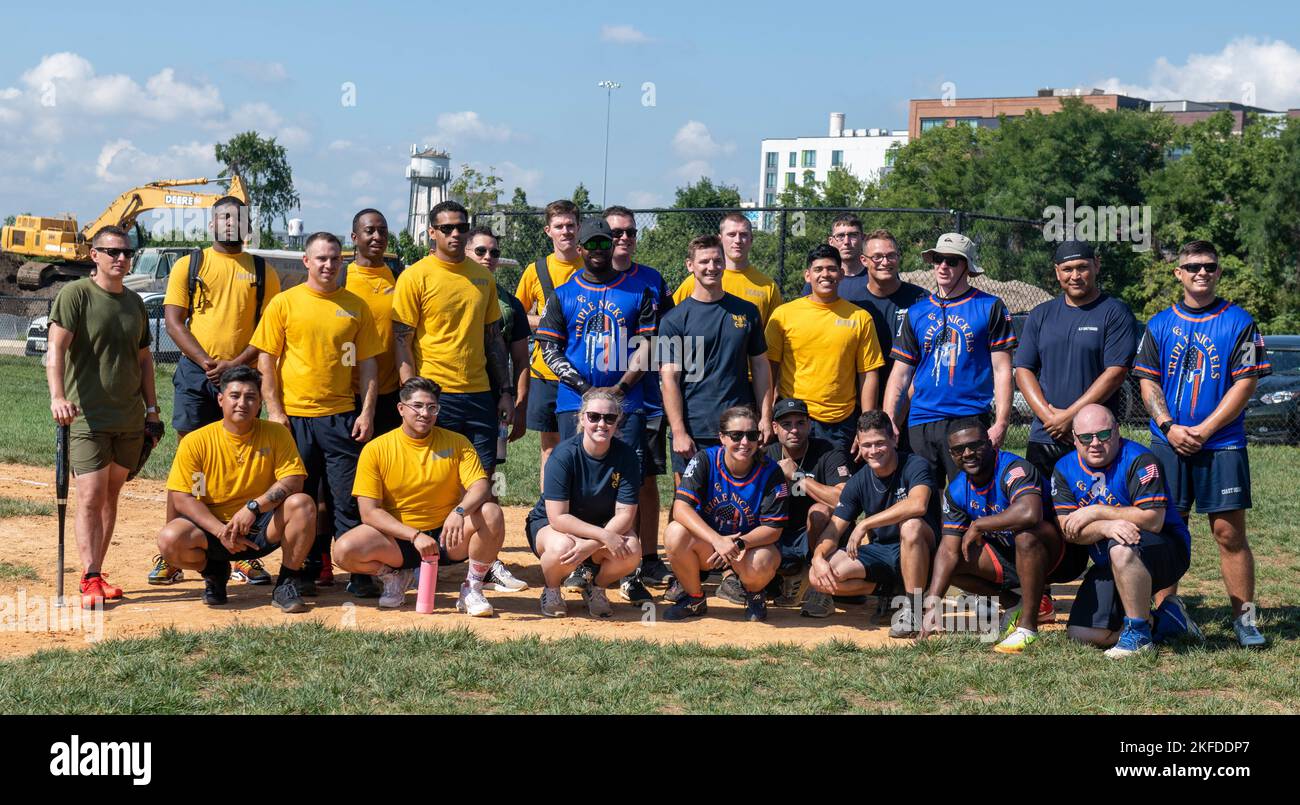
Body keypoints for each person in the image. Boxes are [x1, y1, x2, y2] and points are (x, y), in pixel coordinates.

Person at [1132, 240, 1271, 647]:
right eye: (1192, 266)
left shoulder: (1240, 321)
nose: (1201, 273)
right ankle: (1166, 613)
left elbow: (1245, 384)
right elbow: (1147, 380)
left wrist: (1205, 430)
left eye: (1209, 266)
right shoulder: (1158, 324)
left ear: (1219, 272)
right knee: (1165, 530)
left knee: (1229, 534)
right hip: (1167, 442)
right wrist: (1168, 425)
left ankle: (1244, 620)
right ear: (1178, 273)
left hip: (1222, 444)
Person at [155, 194, 281, 585]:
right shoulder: (189, 264)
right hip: (198, 375)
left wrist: (236, 363)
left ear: (248, 225)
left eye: (239, 218)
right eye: (224, 217)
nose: (231, 223)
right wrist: (207, 361)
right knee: (190, 465)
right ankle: (172, 556)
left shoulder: (263, 270)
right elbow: (174, 321)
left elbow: (268, 331)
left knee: (246, 463)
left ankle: (241, 551)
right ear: (212, 224)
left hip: (242, 377)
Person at [250, 232, 382, 595]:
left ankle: (359, 573)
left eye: (335, 259)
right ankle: (300, 571)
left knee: (347, 498)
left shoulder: (356, 306)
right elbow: (267, 361)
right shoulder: (284, 304)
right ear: (306, 261)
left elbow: (369, 365)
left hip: (341, 416)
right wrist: (275, 411)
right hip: (293, 419)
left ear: (343, 262)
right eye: (321, 258)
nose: (328, 265)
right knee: (299, 498)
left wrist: (366, 412)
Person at [46, 226, 161, 608]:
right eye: (112, 251)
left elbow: (144, 360)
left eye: (127, 252)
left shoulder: (135, 303)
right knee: (91, 496)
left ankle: (96, 571)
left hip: (127, 418)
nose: (121, 258)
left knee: (111, 495)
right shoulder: (75, 294)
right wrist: (58, 397)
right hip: (86, 417)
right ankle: (89, 574)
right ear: (94, 255)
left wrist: (152, 409)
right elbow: (56, 350)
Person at [332, 377, 518, 613]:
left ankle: (472, 587)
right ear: (401, 409)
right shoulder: (376, 449)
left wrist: (459, 511)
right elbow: (369, 513)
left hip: (447, 536)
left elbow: (480, 485)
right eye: (417, 406)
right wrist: (414, 535)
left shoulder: (457, 442)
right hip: (399, 540)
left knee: (491, 511)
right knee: (343, 549)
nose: (425, 413)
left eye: (432, 407)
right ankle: (393, 577)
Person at [919, 417, 1087, 653]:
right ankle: (1019, 602)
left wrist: (979, 525)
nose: (967, 453)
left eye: (975, 445)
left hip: (1060, 555)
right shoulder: (956, 489)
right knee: (949, 561)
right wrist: (932, 603)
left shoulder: (1014, 469)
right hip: (1011, 556)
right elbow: (948, 550)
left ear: (990, 444)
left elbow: (1030, 513)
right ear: (951, 454)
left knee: (1027, 534)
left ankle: (1027, 628)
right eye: (959, 450)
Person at [155, 366, 315, 612]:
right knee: (170, 538)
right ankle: (213, 572)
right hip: (214, 529)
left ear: (260, 402)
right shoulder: (196, 441)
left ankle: (286, 582)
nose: (243, 403)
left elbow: (294, 480)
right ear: (220, 400)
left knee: (302, 504)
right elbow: (184, 497)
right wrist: (220, 531)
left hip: (260, 525)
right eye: (235, 395)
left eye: (251, 397)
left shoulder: (276, 434)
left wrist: (253, 507)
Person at [882, 233, 1017, 518]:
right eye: (937, 259)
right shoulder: (917, 312)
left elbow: (1003, 369)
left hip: (968, 417)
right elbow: (900, 373)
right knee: (922, 502)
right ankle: (928, 559)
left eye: (952, 261)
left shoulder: (990, 306)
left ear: (967, 267)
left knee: (969, 499)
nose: (943, 266)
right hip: (921, 420)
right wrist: (889, 421)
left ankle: (969, 560)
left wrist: (1002, 421)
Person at [1052, 404, 1193, 658]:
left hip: (1166, 551)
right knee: (1080, 634)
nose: (1095, 443)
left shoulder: (1140, 459)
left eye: (1103, 435)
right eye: (1086, 437)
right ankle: (1165, 621)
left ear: (1117, 431)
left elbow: (1153, 520)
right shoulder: (1064, 468)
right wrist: (1107, 526)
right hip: (1110, 563)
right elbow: (1068, 529)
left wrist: (1096, 512)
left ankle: (1138, 635)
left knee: (1121, 545)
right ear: (1074, 439)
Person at [393, 200, 513, 478]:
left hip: (479, 394)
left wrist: (505, 392)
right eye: (447, 228)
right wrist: (412, 396)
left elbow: (494, 339)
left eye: (461, 227)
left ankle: (476, 522)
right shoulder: (414, 277)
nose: (455, 234)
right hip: (435, 394)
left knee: (481, 477)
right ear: (432, 232)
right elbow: (402, 343)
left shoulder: (484, 278)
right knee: (437, 478)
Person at [1014, 240, 1139, 481]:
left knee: (1093, 513)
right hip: (1045, 434)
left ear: (1097, 266)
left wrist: (1071, 417)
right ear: (1057, 271)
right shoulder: (1041, 314)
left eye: (1082, 267)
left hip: (1095, 438)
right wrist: (1051, 418)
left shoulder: (1115, 312)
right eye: (1067, 269)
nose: (1075, 276)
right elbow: (1023, 370)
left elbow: (1116, 372)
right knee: (1040, 513)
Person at [806, 411, 935, 630]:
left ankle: (913, 610)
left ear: (894, 439)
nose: (873, 451)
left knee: (911, 526)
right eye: (866, 445)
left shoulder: (915, 464)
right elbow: (833, 530)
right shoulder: (859, 480)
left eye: (879, 443)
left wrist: (866, 523)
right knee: (818, 576)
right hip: (882, 550)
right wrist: (817, 557)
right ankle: (891, 588)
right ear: (858, 443)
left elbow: (918, 504)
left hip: (923, 551)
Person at [659, 234, 771, 482]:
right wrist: (678, 431)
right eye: (704, 262)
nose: (712, 267)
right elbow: (669, 379)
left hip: (739, 427)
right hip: (694, 428)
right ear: (690, 266)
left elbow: (761, 366)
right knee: (688, 506)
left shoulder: (747, 311)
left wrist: (765, 417)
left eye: (717, 261)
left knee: (738, 500)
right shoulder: (674, 319)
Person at [663, 406, 789, 622]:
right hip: (710, 547)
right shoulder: (704, 459)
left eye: (751, 435)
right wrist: (718, 540)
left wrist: (738, 544)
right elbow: (680, 508)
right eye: (736, 435)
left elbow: (773, 530)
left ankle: (754, 594)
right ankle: (695, 599)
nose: (744, 442)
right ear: (722, 437)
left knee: (762, 561)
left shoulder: (771, 471)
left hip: (748, 547)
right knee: (675, 533)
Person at [605, 204, 674, 598]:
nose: (625, 238)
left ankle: (647, 557)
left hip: (643, 399)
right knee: (597, 478)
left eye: (630, 232)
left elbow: (663, 337)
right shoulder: (589, 276)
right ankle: (597, 557)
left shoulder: (650, 279)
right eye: (617, 232)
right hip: (595, 398)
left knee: (645, 478)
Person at [525, 389, 642, 618]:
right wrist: (602, 537)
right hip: (554, 525)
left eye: (609, 418)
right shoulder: (564, 454)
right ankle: (551, 590)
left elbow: (625, 515)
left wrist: (592, 543)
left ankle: (596, 588)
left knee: (632, 549)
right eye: (594, 417)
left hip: (601, 526)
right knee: (562, 548)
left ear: (618, 421)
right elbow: (558, 517)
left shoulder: (627, 456)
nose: (602, 424)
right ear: (581, 418)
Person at [765, 244, 884, 452]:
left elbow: (868, 373)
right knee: (790, 482)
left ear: (841, 274)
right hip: (792, 420)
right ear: (807, 275)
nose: (825, 274)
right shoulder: (783, 315)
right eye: (818, 269)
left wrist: (867, 427)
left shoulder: (860, 318)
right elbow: (768, 369)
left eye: (831, 269)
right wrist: (765, 416)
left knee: (836, 483)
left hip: (839, 423)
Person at [341, 208, 401, 598]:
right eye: (368, 231)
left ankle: (389, 559)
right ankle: (347, 564)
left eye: (381, 230)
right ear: (354, 236)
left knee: (389, 480)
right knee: (346, 483)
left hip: (391, 392)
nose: (376, 237)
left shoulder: (400, 275)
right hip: (346, 395)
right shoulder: (341, 276)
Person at [760, 398, 851, 612]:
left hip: (820, 534)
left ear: (810, 424)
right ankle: (791, 577)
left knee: (818, 512)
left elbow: (843, 499)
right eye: (786, 424)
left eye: (800, 423)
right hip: (779, 533)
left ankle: (821, 590)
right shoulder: (766, 456)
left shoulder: (829, 451)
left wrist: (799, 477)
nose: (794, 430)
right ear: (775, 427)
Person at [515, 200, 582, 486]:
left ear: (579, 228)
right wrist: (547, 323)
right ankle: (548, 511)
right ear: (548, 230)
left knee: (582, 447)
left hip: (581, 372)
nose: (565, 231)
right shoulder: (536, 270)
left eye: (570, 225)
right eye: (559, 226)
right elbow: (517, 315)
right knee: (551, 448)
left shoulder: (590, 265)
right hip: (545, 372)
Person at [467, 226, 531, 450]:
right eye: (480, 251)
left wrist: (520, 406)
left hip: (494, 396)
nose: (488, 257)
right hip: (450, 393)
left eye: (494, 253)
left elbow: (522, 359)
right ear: (465, 251)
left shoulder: (511, 304)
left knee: (488, 467)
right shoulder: (446, 291)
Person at [673, 212, 783, 326]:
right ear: (720, 239)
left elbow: (775, 334)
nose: (738, 240)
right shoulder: (697, 281)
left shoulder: (768, 287)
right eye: (731, 234)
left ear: (751, 239)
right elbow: (672, 321)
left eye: (743, 235)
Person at [800, 213, 871, 306]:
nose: (846, 242)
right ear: (831, 241)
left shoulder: (875, 276)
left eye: (853, 235)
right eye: (840, 236)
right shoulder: (820, 279)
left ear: (863, 238)